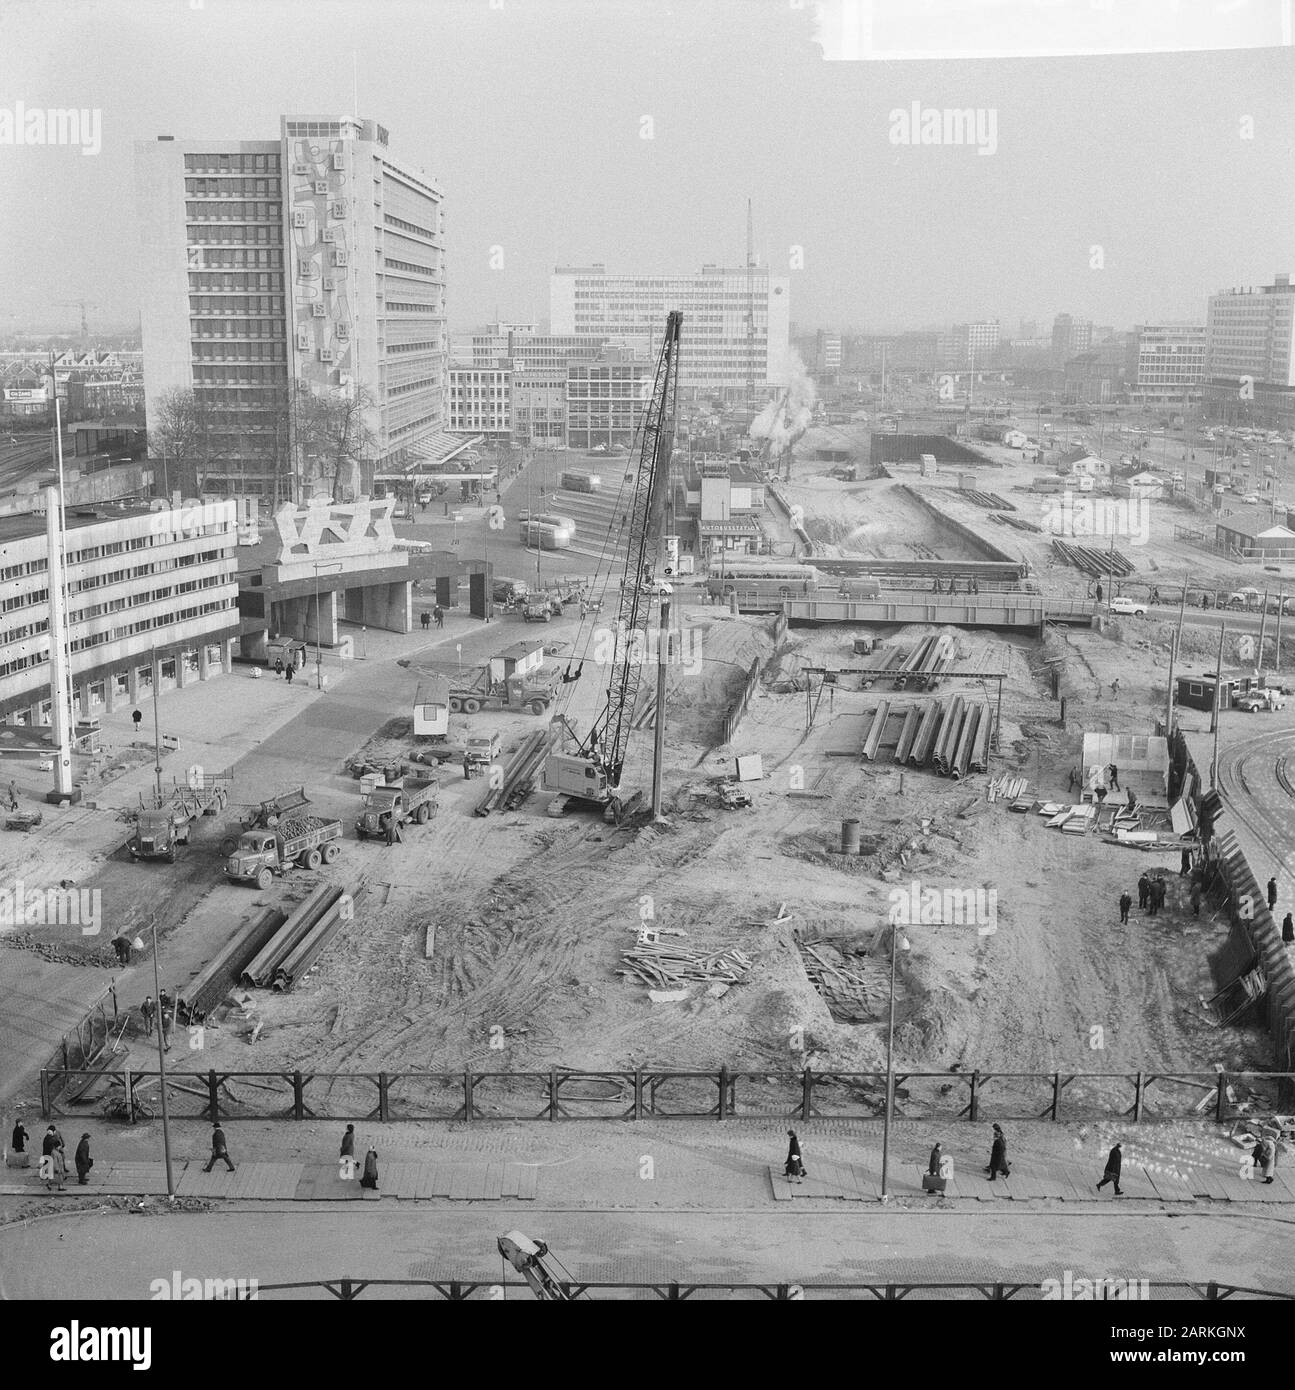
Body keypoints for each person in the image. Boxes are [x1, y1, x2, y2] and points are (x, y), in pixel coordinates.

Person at [41, 1125, 66, 1190]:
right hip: (51, 1158)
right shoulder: (52, 1140)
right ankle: (58, 1186)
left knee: (50, 1172)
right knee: (55, 1174)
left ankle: (50, 1183)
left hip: (47, 1156)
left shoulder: (46, 1137)